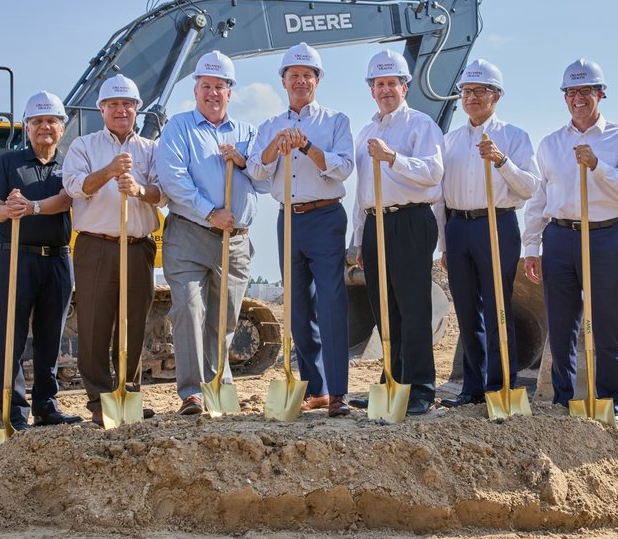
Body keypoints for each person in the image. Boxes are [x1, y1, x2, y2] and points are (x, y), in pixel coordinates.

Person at [522, 59, 618, 428]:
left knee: (607, 323)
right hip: (559, 237)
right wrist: (532, 247)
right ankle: (563, 399)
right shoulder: (550, 144)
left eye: (586, 91)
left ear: (600, 94)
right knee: (561, 327)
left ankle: (612, 402)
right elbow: (538, 199)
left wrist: (597, 166)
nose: (578, 98)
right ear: (565, 97)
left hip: (604, 235)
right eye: (571, 92)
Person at [248, 43, 355, 417]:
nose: (300, 81)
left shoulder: (335, 121)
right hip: (288, 218)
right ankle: (316, 387)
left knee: (331, 303)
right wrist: (273, 149)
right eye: (293, 75)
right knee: (296, 307)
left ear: (317, 81)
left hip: (325, 216)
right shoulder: (269, 126)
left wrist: (307, 147)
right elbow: (256, 171)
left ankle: (338, 392)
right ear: (283, 81)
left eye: (307, 75)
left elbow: (344, 168)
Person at [155, 51, 262, 416]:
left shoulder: (248, 133)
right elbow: (173, 178)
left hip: (236, 240)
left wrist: (244, 161)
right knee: (189, 308)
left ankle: (218, 383)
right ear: (195, 90)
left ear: (230, 92)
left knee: (225, 316)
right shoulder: (178, 128)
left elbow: (265, 180)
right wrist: (210, 212)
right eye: (206, 86)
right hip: (189, 234)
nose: (213, 93)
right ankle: (192, 392)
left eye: (220, 86)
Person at [347, 49, 444, 416]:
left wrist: (393, 158)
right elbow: (362, 191)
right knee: (384, 308)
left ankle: (420, 388)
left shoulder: (421, 125)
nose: (385, 89)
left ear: (405, 87)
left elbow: (433, 173)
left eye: (392, 83)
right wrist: (359, 238)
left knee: (413, 307)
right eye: (379, 83)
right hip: (375, 222)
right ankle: (393, 382)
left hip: (410, 220)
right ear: (371, 89)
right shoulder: (366, 131)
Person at [63, 75, 164, 424]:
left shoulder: (151, 149)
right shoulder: (83, 146)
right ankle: (99, 400)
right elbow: (75, 187)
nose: (121, 110)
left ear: (137, 109)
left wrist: (139, 190)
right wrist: (109, 171)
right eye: (114, 105)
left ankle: (128, 393)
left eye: (128, 104)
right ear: (102, 109)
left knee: (133, 323)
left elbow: (163, 194)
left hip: (137, 246)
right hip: (97, 245)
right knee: (95, 324)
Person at [437, 59, 538, 408]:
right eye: (466, 91)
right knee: (467, 312)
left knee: (498, 309)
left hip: (497, 223)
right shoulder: (449, 141)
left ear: (497, 96)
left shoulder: (515, 137)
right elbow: (440, 197)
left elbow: (530, 188)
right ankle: (473, 387)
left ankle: (500, 386)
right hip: (458, 226)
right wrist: (444, 244)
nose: (471, 97)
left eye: (479, 91)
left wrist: (501, 161)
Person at [0, 91, 79, 429]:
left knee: (51, 337)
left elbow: (68, 199)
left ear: (62, 127)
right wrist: (8, 209)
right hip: (16, 258)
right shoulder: (9, 163)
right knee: (12, 336)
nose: (44, 127)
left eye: (51, 121)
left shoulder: (70, 165)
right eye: (37, 121)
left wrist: (32, 207)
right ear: (27, 127)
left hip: (57, 259)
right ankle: (14, 411)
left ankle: (46, 406)